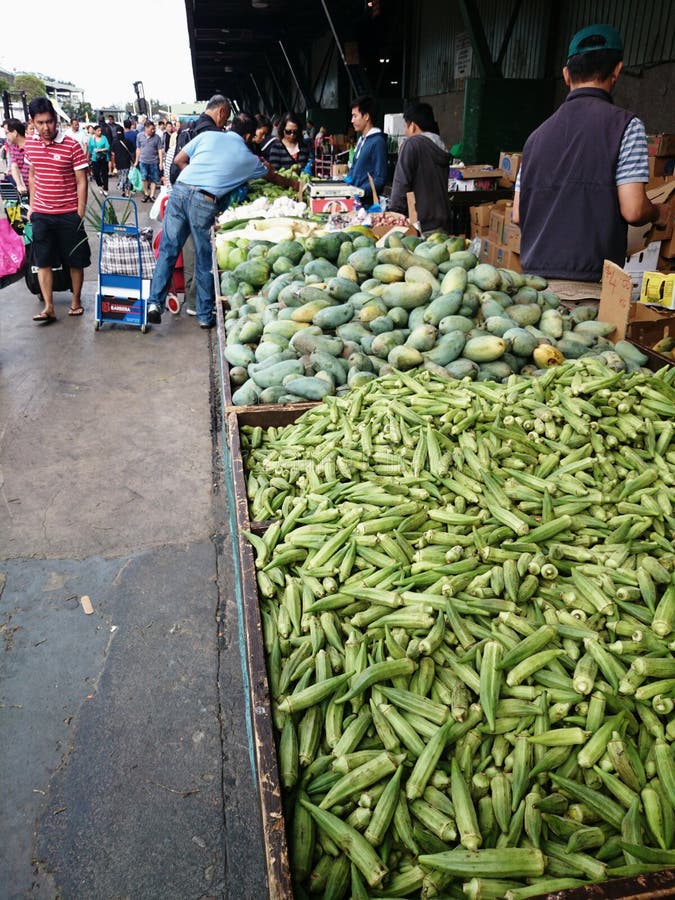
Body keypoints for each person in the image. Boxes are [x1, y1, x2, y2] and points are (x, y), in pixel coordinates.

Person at [513, 23, 668, 283]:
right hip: (587, 287)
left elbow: (518, 214)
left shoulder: (535, 137)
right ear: (617, 70)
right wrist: (658, 212)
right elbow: (633, 210)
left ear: (566, 74)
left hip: (532, 289)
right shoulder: (626, 126)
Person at [146, 112, 299, 329]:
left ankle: (154, 304)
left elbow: (180, 160)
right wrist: (293, 184)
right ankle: (204, 316)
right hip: (204, 200)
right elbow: (272, 176)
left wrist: (196, 178)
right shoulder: (248, 158)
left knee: (168, 250)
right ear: (247, 136)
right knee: (204, 258)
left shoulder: (208, 136)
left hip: (179, 191)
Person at [24, 97, 90, 323]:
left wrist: (79, 212)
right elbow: (33, 176)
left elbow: (82, 181)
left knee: (75, 260)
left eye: (50, 122)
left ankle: (76, 302)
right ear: (32, 121)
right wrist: (32, 207)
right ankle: (49, 307)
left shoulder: (71, 145)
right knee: (42, 261)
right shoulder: (30, 145)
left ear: (55, 120)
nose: (46, 127)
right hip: (42, 214)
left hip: (69, 212)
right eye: (40, 123)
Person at [388, 102, 451, 235]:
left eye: (406, 126)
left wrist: (393, 215)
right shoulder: (441, 146)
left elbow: (401, 183)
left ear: (413, 126)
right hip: (443, 223)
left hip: (421, 225)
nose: (405, 131)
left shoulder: (412, 144)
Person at [344, 95, 388, 207]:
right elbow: (354, 168)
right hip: (356, 202)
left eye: (355, 116)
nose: (352, 120)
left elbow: (380, 178)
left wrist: (360, 191)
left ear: (366, 116)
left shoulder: (378, 142)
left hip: (367, 204)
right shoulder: (361, 140)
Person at [134, 119, 163, 203]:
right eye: (151, 129)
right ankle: (146, 193)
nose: (153, 130)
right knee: (144, 178)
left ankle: (152, 195)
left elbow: (160, 150)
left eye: (154, 129)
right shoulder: (139, 136)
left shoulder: (157, 137)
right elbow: (138, 149)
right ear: (146, 128)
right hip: (143, 161)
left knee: (154, 179)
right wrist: (136, 161)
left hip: (153, 161)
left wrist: (161, 162)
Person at [2, 118, 30, 195]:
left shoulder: (31, 146)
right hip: (28, 189)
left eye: (6, 133)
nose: (6, 136)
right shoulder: (13, 147)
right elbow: (14, 166)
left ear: (14, 132)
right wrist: (19, 184)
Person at [111, 127, 134, 197]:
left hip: (118, 162)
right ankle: (127, 191)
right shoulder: (127, 141)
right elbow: (132, 151)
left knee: (121, 177)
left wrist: (113, 164)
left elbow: (113, 155)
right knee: (127, 177)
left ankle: (124, 191)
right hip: (126, 162)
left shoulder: (114, 142)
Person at [88, 124, 110, 196]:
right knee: (96, 174)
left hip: (103, 158)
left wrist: (100, 150)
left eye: (100, 131)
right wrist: (88, 159)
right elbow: (90, 150)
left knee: (104, 174)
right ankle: (100, 185)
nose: (100, 132)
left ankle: (106, 188)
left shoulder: (104, 138)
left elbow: (108, 147)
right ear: (95, 131)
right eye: (98, 131)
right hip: (95, 159)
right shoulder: (91, 139)